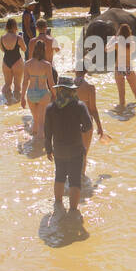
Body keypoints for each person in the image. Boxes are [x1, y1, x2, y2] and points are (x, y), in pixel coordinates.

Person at [44, 76, 93, 212]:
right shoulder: (79, 106)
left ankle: (58, 205)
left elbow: (47, 132)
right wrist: (80, 130)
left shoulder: (50, 108)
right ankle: (73, 211)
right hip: (76, 149)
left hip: (58, 149)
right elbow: (88, 125)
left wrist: (48, 149)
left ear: (59, 90)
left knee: (59, 175)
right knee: (75, 180)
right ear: (72, 91)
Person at [22, 40, 56, 143]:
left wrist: (22, 98)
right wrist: (56, 95)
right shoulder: (47, 65)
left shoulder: (27, 64)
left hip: (31, 93)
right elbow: (51, 83)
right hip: (43, 94)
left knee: (35, 120)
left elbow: (24, 82)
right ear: (44, 50)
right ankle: (40, 144)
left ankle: (33, 142)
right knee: (42, 123)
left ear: (34, 50)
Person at [74, 67, 105, 177]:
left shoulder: (67, 87)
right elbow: (93, 110)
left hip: (71, 123)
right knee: (83, 154)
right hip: (86, 122)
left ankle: (71, 179)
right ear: (86, 71)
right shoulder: (90, 88)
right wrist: (100, 127)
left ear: (75, 70)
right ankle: (81, 179)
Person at [0, 18, 25, 100]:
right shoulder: (18, 38)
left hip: (6, 62)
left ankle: (4, 101)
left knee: (7, 84)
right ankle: (16, 106)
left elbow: (2, 49)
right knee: (17, 86)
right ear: (15, 26)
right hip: (17, 61)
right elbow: (24, 49)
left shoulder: (2, 38)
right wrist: (21, 38)